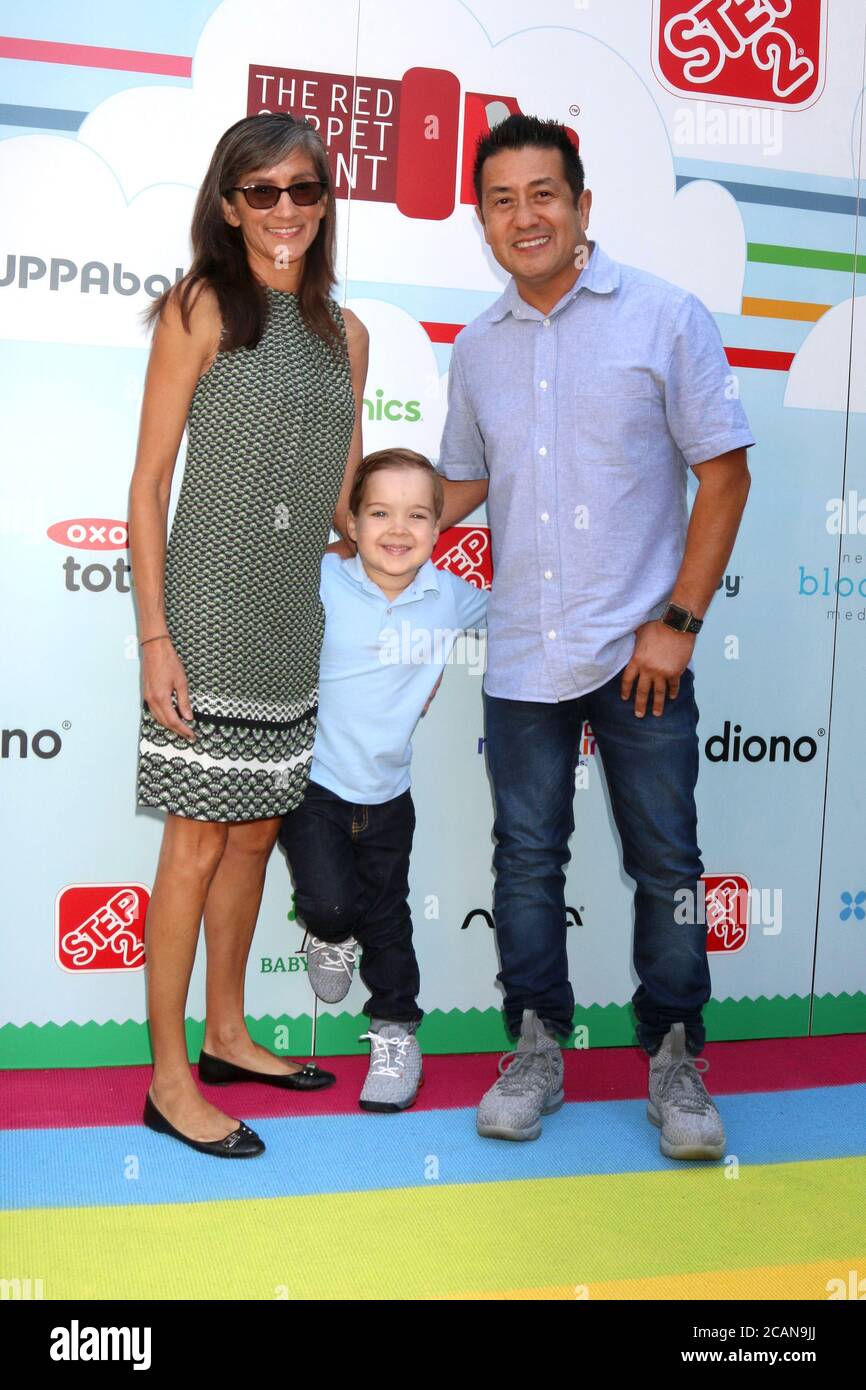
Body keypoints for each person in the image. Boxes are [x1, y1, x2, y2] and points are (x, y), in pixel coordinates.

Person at [437, 114, 755, 1156]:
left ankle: (675, 1062)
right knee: (525, 861)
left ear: (579, 205)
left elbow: (723, 471)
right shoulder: (476, 346)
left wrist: (677, 622)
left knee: (666, 861)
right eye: (500, 199)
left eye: (542, 194)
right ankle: (535, 1047)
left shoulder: (664, 316)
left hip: (640, 655)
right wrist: (375, 519)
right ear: (479, 217)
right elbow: (466, 480)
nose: (522, 216)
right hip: (523, 653)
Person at [129, 113, 369, 1158]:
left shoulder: (344, 336)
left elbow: (346, 506)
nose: (284, 210)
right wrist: (153, 636)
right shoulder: (201, 306)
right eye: (261, 191)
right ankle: (170, 1078)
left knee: (256, 834)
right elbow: (146, 484)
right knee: (194, 842)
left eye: (303, 189)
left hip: (289, 616)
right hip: (209, 611)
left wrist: (463, 490)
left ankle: (228, 1034)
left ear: (325, 201)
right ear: (229, 205)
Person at [279, 449, 488, 1112]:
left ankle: (396, 1035)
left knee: (391, 920)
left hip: (391, 797)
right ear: (353, 520)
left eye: (417, 515)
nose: (398, 530)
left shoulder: (450, 596)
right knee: (335, 907)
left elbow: (530, 617)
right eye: (380, 513)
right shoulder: (320, 579)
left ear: (437, 527)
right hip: (313, 788)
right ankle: (326, 930)